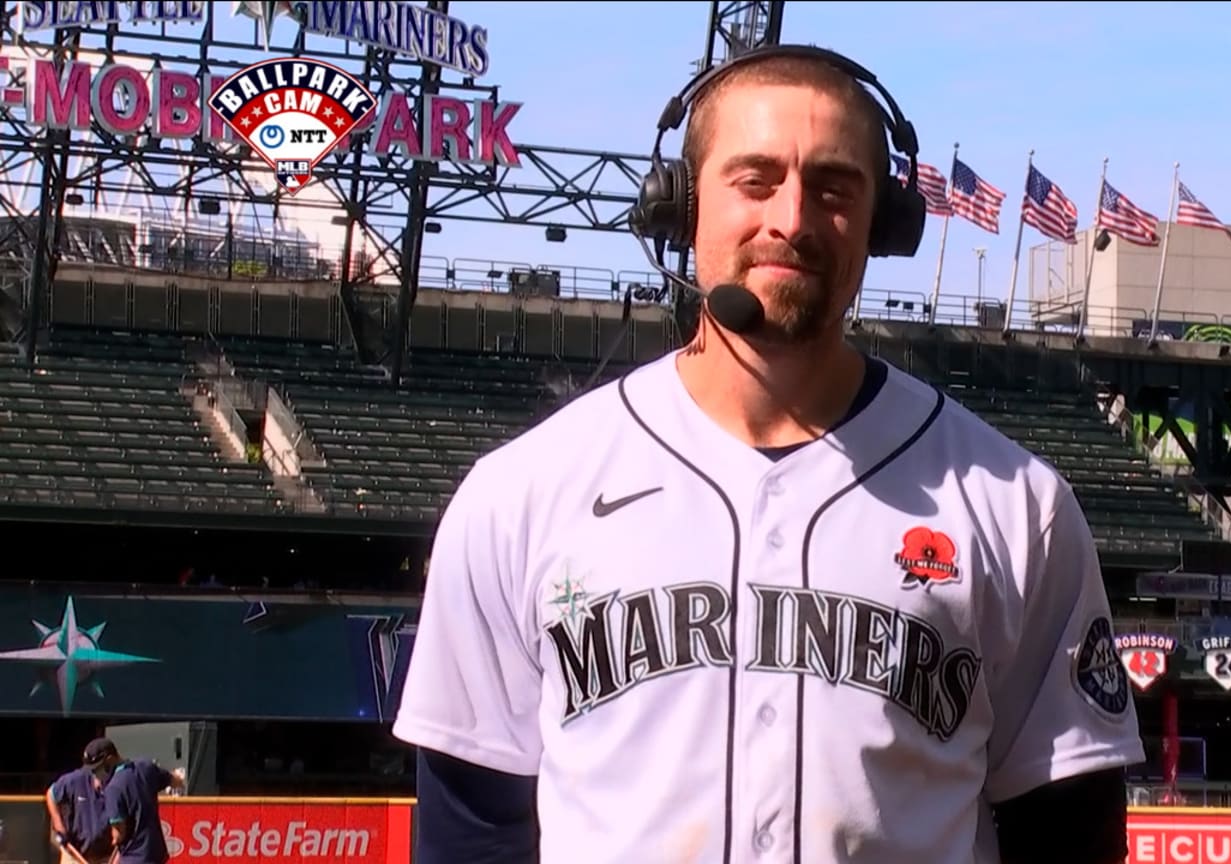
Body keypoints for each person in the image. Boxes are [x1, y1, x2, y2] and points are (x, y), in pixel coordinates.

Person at [393, 43, 1144, 864]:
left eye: (832, 188)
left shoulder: (1014, 507)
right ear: (682, 207)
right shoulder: (522, 492)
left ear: (883, 224)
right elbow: (474, 830)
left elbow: (1069, 830)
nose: (791, 217)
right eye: (755, 181)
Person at [86, 738, 186, 864]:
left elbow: (119, 834)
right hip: (156, 855)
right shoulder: (146, 767)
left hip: (133, 858)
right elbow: (175, 781)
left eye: (96, 769)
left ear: (110, 759)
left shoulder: (113, 789)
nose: (95, 774)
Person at [45, 758, 110, 864]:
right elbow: (51, 794)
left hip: (106, 857)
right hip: (74, 853)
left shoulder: (117, 783)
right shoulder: (74, 780)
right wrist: (59, 825)